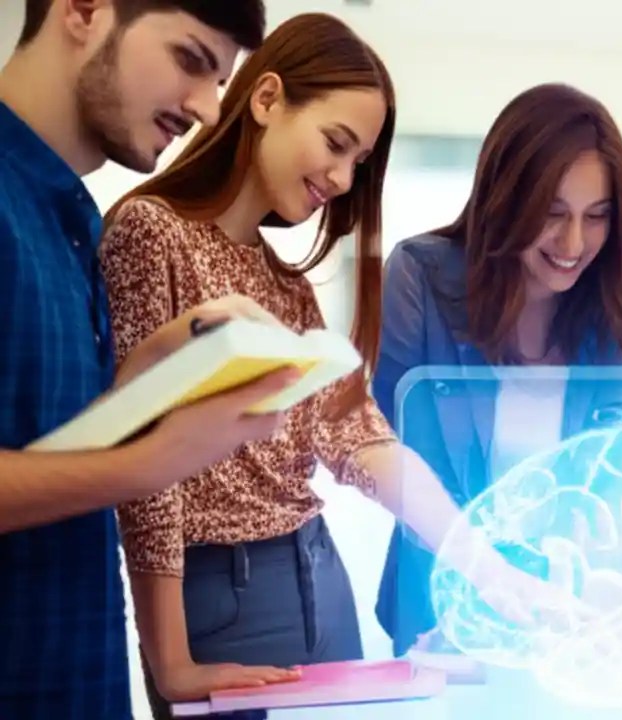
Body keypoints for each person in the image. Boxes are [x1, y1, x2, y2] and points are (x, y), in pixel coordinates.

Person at [98, 14, 565, 719]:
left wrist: (484, 567)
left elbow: (358, 438)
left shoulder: (287, 289)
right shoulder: (150, 233)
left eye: (359, 162)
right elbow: (146, 466)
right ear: (265, 100)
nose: (343, 179)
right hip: (219, 596)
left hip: (320, 576)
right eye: (336, 144)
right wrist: (170, 660)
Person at [0, 1, 291, 718]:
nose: (205, 110)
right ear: (84, 10)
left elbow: (54, 444)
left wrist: (176, 346)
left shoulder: (71, 218)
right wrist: (156, 462)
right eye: (191, 61)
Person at [371, 82, 622, 656]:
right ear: (504, 200)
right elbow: (394, 460)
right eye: (551, 214)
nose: (574, 242)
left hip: (575, 615)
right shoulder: (420, 279)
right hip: (441, 606)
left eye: (598, 216)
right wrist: (485, 589)